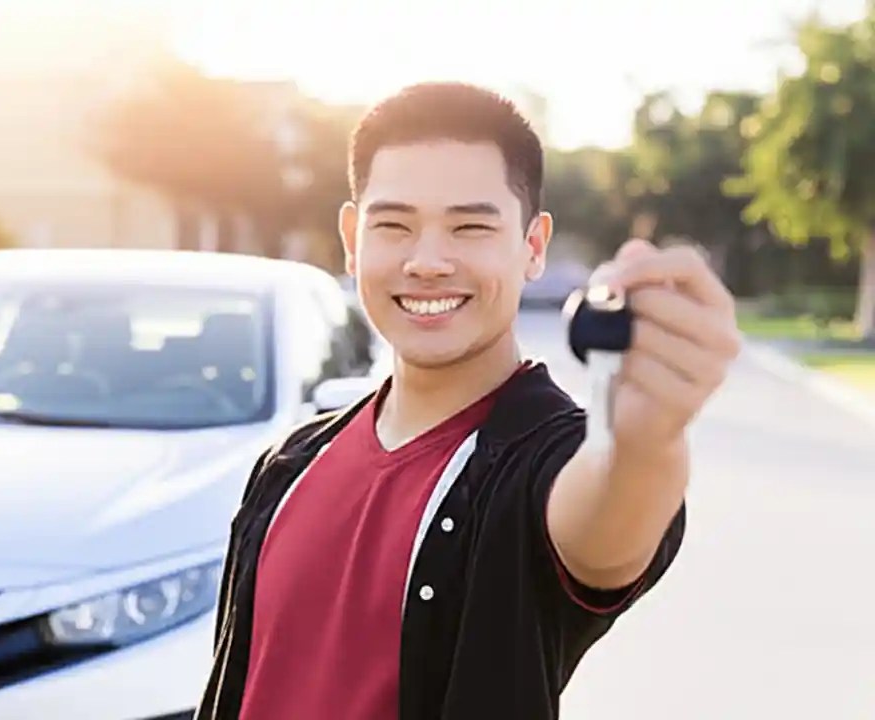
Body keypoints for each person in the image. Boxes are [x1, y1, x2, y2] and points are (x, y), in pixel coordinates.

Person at [193, 81, 741, 720]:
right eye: (394, 225)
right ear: (352, 236)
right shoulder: (289, 464)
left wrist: (643, 440)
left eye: (470, 227)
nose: (427, 261)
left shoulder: (543, 461)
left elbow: (606, 525)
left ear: (532, 246)